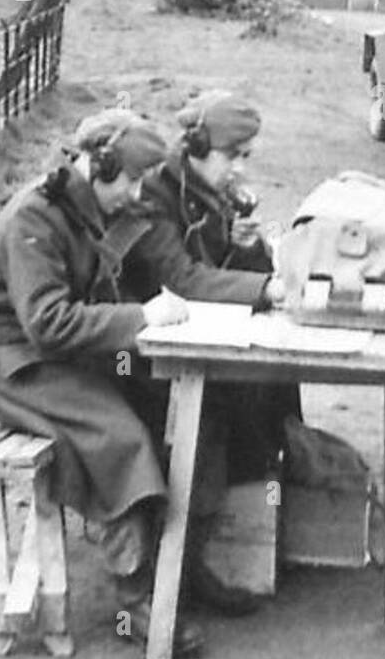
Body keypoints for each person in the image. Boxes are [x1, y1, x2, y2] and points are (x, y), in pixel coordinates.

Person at [0, 108, 271, 658]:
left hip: (79, 356)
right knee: (120, 437)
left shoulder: (83, 209)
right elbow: (48, 324)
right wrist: (140, 319)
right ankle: (135, 599)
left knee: (189, 404)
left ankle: (182, 566)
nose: (137, 193)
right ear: (99, 164)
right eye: (131, 180)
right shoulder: (32, 222)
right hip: (25, 369)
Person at [126, 92, 301, 492]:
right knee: (244, 378)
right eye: (232, 156)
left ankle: (277, 479)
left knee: (277, 369)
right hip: (138, 345)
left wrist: (238, 245)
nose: (238, 168)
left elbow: (212, 264)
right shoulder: (153, 194)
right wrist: (267, 289)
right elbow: (182, 279)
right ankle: (240, 499)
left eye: (245, 157)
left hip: (190, 326)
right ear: (199, 148)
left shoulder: (203, 187)